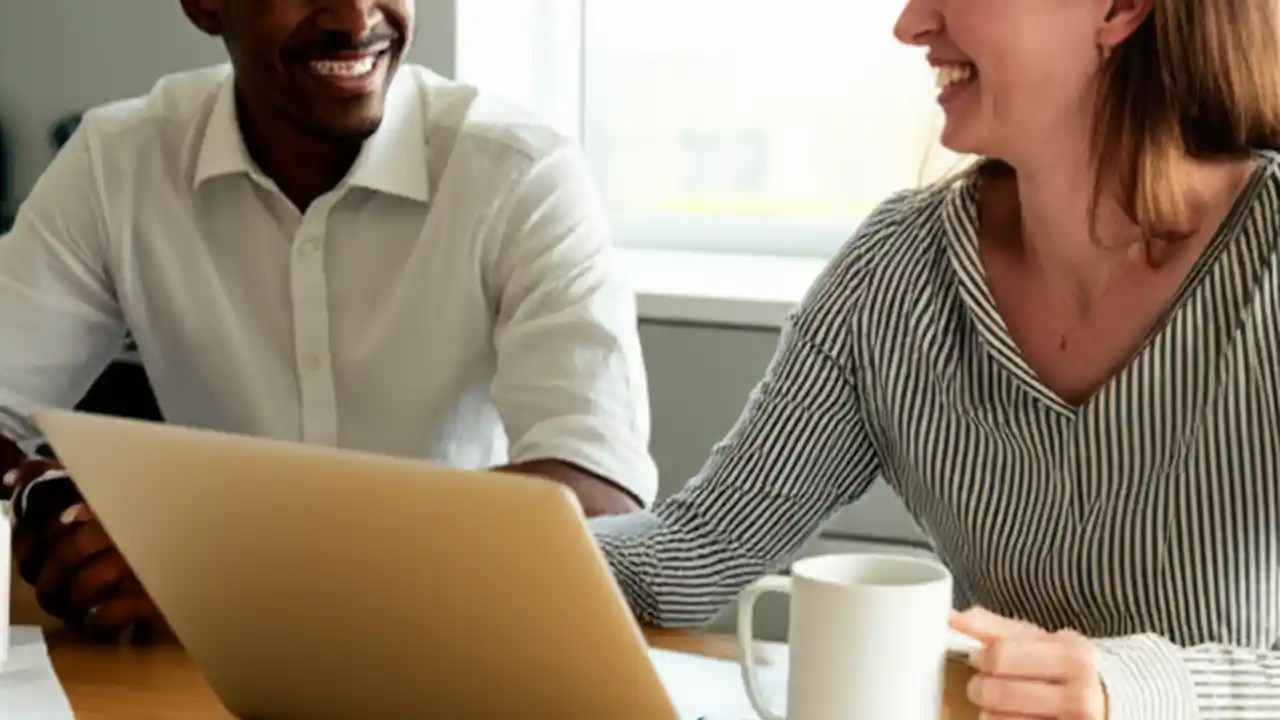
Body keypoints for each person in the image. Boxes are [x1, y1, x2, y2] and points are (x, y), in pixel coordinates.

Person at [594, 0, 1280, 717]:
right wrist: (485, 548)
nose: (911, 23)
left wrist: (1132, 689)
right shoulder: (898, 272)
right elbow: (692, 552)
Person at [1, 0, 655, 641]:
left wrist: (215, 565)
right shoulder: (118, 162)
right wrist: (50, 506)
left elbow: (600, 491)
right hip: (213, 667)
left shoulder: (520, 173)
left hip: (456, 642)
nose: (354, 18)